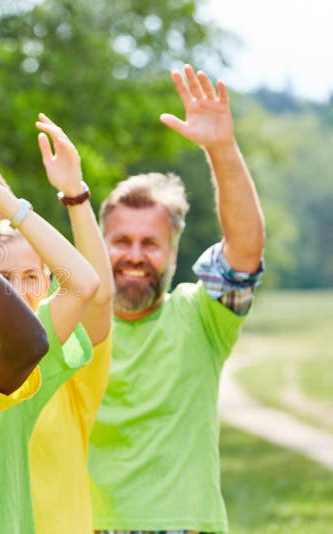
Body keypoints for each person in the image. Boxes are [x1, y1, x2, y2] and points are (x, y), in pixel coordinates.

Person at [0, 66, 114, 533]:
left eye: (33, 277)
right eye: (5, 279)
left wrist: (73, 194)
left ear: (49, 279)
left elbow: (94, 289)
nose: (19, 288)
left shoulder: (54, 351)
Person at [87, 65, 265, 534]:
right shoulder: (74, 318)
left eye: (151, 243)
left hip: (186, 525)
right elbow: (3, 255)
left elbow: (245, 252)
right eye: (121, 240)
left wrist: (221, 148)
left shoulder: (201, 315)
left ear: (173, 252)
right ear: (98, 241)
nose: (134, 255)